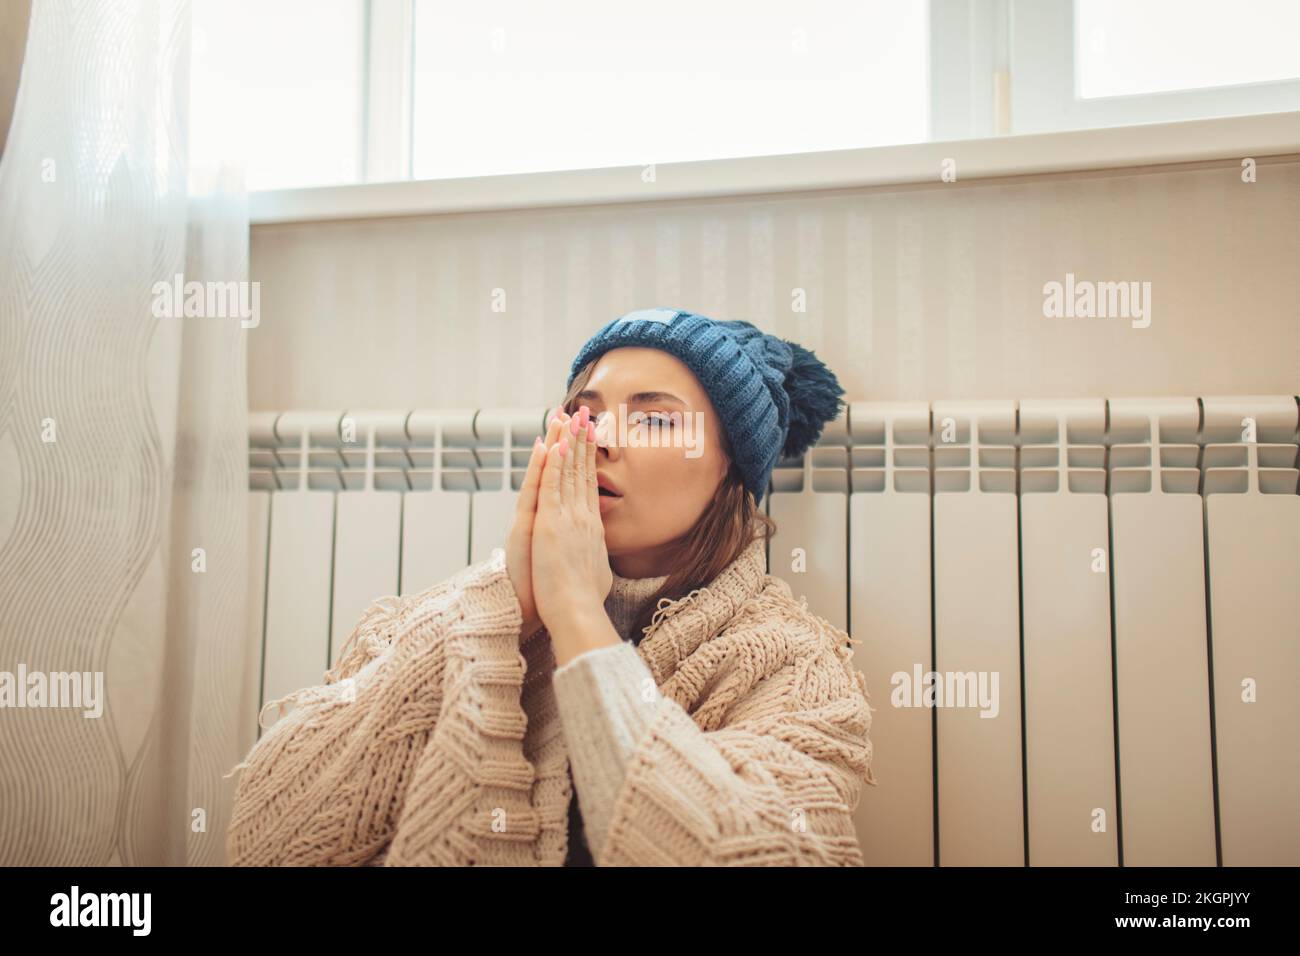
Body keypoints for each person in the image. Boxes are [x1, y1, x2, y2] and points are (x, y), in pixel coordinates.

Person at [224, 307, 877, 866]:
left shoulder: (791, 663)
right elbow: (266, 843)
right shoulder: (447, 619)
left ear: (732, 469)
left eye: (655, 419)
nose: (601, 441)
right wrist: (505, 605)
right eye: (581, 414)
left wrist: (578, 622)